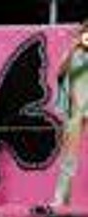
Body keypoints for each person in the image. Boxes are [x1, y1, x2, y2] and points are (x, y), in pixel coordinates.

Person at [52, 20, 88, 206]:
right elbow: (60, 74)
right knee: (69, 156)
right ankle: (61, 199)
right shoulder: (73, 53)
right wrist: (73, 49)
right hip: (77, 109)